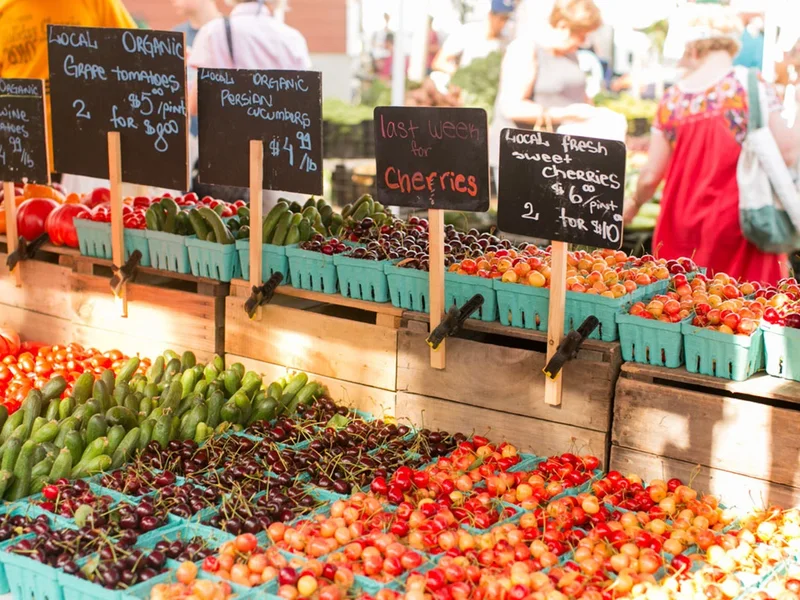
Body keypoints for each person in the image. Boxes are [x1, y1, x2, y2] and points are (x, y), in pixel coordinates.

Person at [623, 7, 800, 284]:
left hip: (680, 228)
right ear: (730, 46)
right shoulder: (751, 85)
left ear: (693, 48)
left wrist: (632, 206)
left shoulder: (673, 99)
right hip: (741, 224)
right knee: (741, 311)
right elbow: (789, 152)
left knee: (681, 308)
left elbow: (649, 176)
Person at [188, 0, 312, 205]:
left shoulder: (213, 32)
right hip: (287, 159)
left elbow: (195, 106)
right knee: (281, 230)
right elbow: (305, 103)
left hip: (228, 162)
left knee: (231, 232)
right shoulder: (293, 38)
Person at [0, 0, 137, 173]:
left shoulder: (98, 3)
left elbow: (134, 58)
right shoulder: (4, 10)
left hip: (90, 154)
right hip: (22, 153)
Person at [489, 0, 603, 167]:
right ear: (563, 26)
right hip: (523, 156)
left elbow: (576, 94)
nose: (583, 42)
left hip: (556, 156)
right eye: (582, 35)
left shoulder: (571, 55)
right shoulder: (526, 49)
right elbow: (511, 107)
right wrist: (566, 114)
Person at [432, 0, 515, 76]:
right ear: (491, 14)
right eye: (501, 18)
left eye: (506, 18)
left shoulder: (506, 43)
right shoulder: (469, 32)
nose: (503, 23)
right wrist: (462, 75)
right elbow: (439, 61)